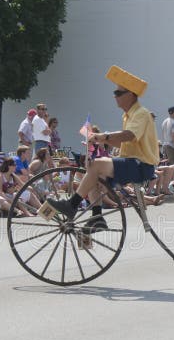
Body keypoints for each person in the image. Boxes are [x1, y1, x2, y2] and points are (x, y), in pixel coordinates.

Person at [44, 65, 159, 231]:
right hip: (131, 162)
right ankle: (97, 218)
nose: (115, 96)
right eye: (115, 93)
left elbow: (129, 136)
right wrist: (100, 141)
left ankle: (72, 205)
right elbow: (123, 143)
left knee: (96, 165)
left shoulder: (141, 113)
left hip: (141, 165)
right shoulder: (128, 115)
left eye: (118, 93)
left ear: (131, 95)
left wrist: (103, 136)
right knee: (92, 168)